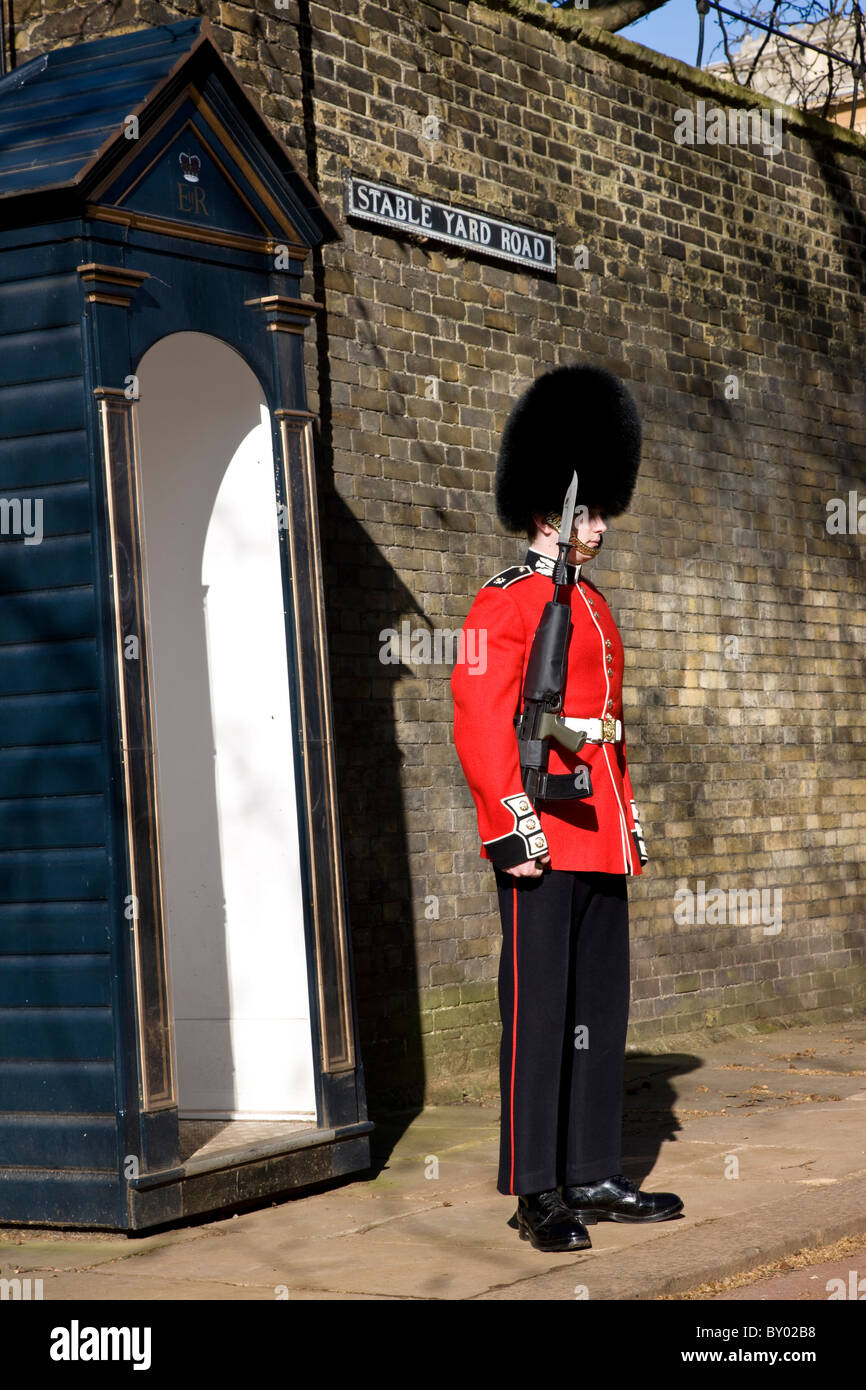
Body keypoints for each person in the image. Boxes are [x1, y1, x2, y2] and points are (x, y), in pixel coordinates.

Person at [450, 363, 683, 1253]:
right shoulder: (503, 603)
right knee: (539, 1014)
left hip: (598, 837)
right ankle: (537, 1188)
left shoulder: (592, 605)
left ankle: (590, 1167)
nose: (602, 526)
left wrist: (625, 820)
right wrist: (512, 826)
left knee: (599, 1010)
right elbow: (480, 722)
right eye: (591, 511)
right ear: (554, 511)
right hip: (542, 835)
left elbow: (605, 731)